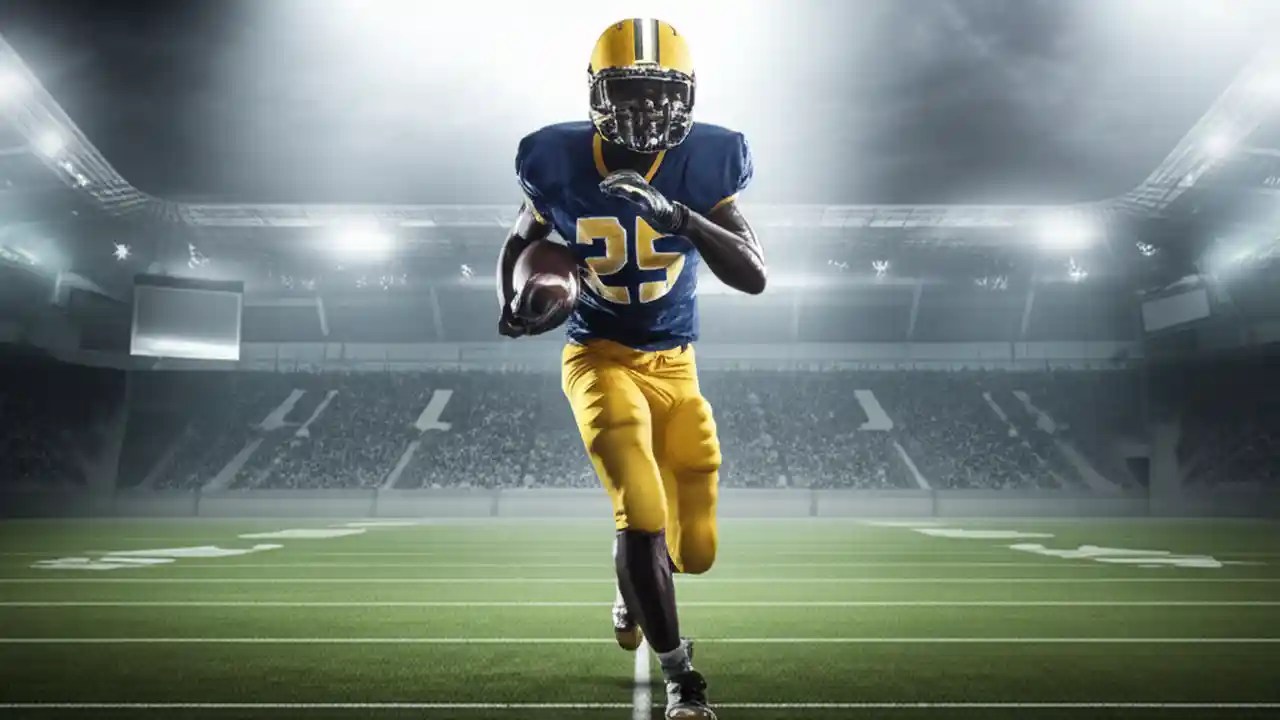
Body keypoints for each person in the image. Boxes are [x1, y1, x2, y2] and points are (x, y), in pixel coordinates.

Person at [494, 18, 767, 720]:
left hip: (676, 364)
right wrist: (514, 300)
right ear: (598, 94)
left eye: (660, 95)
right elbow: (520, 241)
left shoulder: (710, 159)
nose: (647, 111)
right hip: (599, 354)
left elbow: (755, 275)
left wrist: (683, 218)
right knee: (639, 509)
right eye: (631, 94)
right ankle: (683, 678)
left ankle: (635, 589)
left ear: (687, 97)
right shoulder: (555, 158)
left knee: (696, 548)